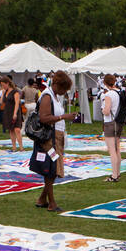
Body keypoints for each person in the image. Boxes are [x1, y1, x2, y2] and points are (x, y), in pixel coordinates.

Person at [33, 71, 75, 212]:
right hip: (49, 138)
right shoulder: (47, 96)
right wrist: (63, 116)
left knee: (53, 169)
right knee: (50, 169)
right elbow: (44, 118)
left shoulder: (54, 96)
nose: (64, 92)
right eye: (63, 89)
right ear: (57, 85)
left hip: (56, 136)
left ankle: (42, 199)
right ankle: (51, 202)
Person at [101, 73, 123, 182]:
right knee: (117, 149)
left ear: (105, 83)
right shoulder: (119, 92)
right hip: (118, 122)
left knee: (112, 150)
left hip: (110, 123)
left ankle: (114, 175)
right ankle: (117, 173)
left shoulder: (109, 94)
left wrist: (103, 109)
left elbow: (106, 111)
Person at [0, 75, 21, 148]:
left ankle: (21, 147)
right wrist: (2, 93)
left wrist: (15, 113)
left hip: (15, 111)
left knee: (17, 129)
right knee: (11, 130)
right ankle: (14, 146)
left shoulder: (15, 91)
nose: (3, 86)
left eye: (3, 85)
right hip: (7, 112)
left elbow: (17, 103)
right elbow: (1, 102)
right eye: (1, 85)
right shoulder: (5, 92)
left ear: (7, 83)